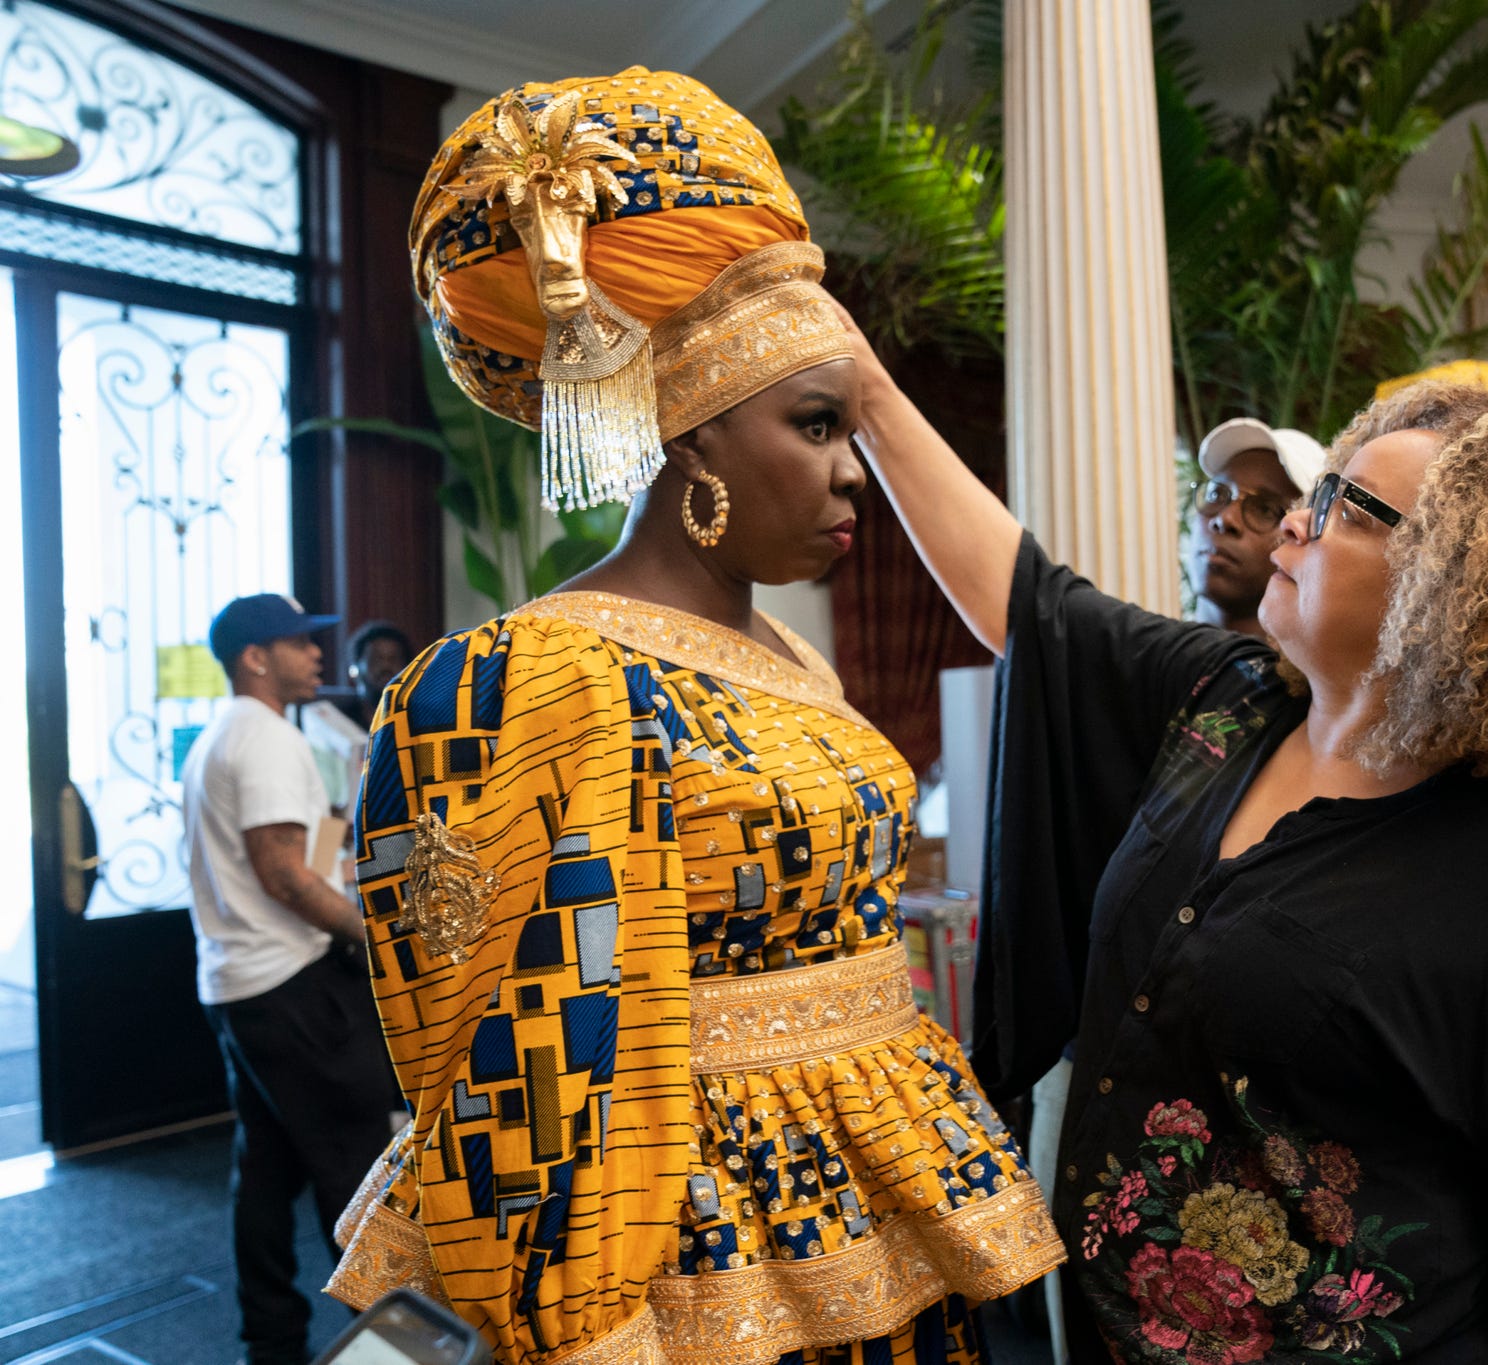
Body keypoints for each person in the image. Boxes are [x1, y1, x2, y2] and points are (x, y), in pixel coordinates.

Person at [325, 70, 1060, 1365]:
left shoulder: (782, 656)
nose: (855, 467)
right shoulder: (534, 677)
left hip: (869, 1203)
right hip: (700, 1257)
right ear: (695, 441)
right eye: (820, 422)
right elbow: (523, 1074)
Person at [843, 341, 1488, 1361]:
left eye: (1346, 508)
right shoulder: (1232, 703)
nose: (1294, 520)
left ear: (1453, 585)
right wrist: (862, 389)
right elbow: (1030, 604)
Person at [183, 593, 397, 1365]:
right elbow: (282, 873)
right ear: (255, 658)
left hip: (239, 988)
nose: (317, 654)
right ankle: (383, 1356)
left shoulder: (219, 736)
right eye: (298, 644)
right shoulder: (268, 738)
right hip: (293, 988)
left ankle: (271, 1345)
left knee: (266, 1174)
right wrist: (375, 937)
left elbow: (282, 863)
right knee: (360, 1182)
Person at [1185, 418, 1325, 636]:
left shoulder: (1312, 670)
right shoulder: (1142, 658)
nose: (1225, 519)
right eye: (1217, 494)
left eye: (1264, 509)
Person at [344, 619, 414, 727]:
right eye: (376, 659)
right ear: (355, 667)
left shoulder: (419, 719)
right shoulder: (340, 718)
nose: (386, 666)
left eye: (394, 659)